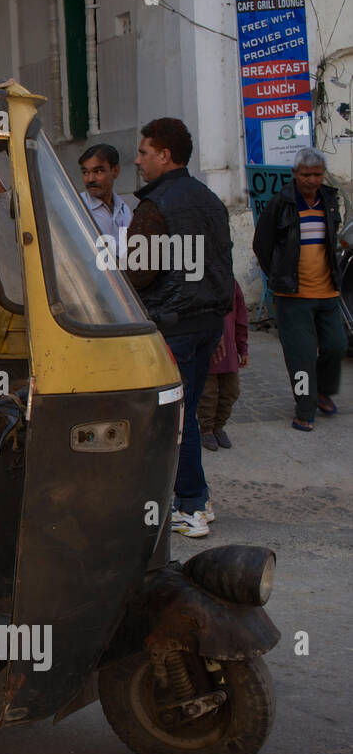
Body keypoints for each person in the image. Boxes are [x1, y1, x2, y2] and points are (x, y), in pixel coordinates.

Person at [128, 118, 234, 538]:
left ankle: (190, 505)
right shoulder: (209, 198)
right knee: (185, 411)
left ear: (164, 155)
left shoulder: (156, 205)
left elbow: (140, 272)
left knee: (177, 417)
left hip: (175, 324)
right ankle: (194, 500)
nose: (138, 161)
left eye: (144, 152)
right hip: (209, 322)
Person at [251, 146, 346, 431]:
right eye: (306, 174)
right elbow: (262, 245)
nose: (312, 180)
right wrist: (280, 276)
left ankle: (322, 391)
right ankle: (305, 407)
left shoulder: (330, 200)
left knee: (336, 345)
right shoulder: (282, 203)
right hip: (293, 297)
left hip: (328, 292)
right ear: (295, 174)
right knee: (302, 356)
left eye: (317, 174)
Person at [198, 279, 248, 452]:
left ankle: (219, 427)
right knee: (207, 395)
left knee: (231, 391)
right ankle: (206, 430)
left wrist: (243, 348)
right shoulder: (200, 284)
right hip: (207, 349)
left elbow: (241, 318)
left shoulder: (232, 284)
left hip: (229, 352)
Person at [78, 143, 132, 244]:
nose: (90, 179)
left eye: (98, 171)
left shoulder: (123, 209)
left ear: (115, 171)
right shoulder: (78, 207)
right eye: (85, 172)